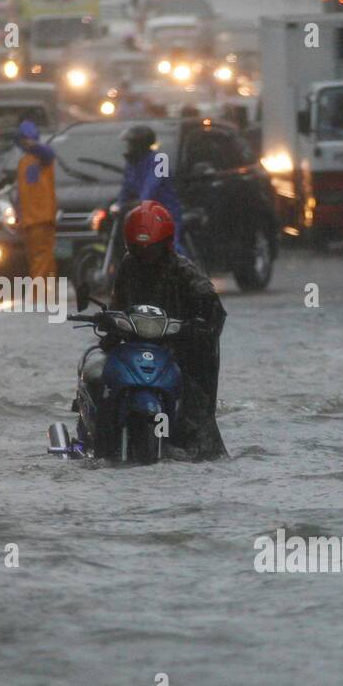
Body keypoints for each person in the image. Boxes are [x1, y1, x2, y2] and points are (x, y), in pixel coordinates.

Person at [100, 200, 227, 459]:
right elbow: (117, 305)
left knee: (198, 418)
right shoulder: (128, 266)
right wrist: (108, 322)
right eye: (137, 249)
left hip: (180, 354)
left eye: (149, 249)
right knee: (100, 376)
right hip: (136, 350)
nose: (143, 255)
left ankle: (194, 448)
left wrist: (195, 329)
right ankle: (101, 437)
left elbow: (214, 311)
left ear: (165, 244)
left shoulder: (186, 272)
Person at [119, 124, 185, 252]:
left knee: (169, 246)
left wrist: (142, 202)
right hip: (144, 213)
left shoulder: (160, 160)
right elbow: (125, 187)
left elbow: (152, 185)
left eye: (131, 144)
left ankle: (186, 269)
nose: (128, 147)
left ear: (140, 145)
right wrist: (119, 204)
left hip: (165, 211)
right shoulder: (131, 163)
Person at [13, 119, 57, 286]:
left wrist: (33, 144)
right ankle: (45, 291)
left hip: (42, 217)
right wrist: (18, 214)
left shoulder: (43, 157)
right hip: (29, 219)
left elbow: (48, 153)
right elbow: (21, 192)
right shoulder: (24, 162)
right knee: (36, 257)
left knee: (42, 256)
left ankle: (40, 293)